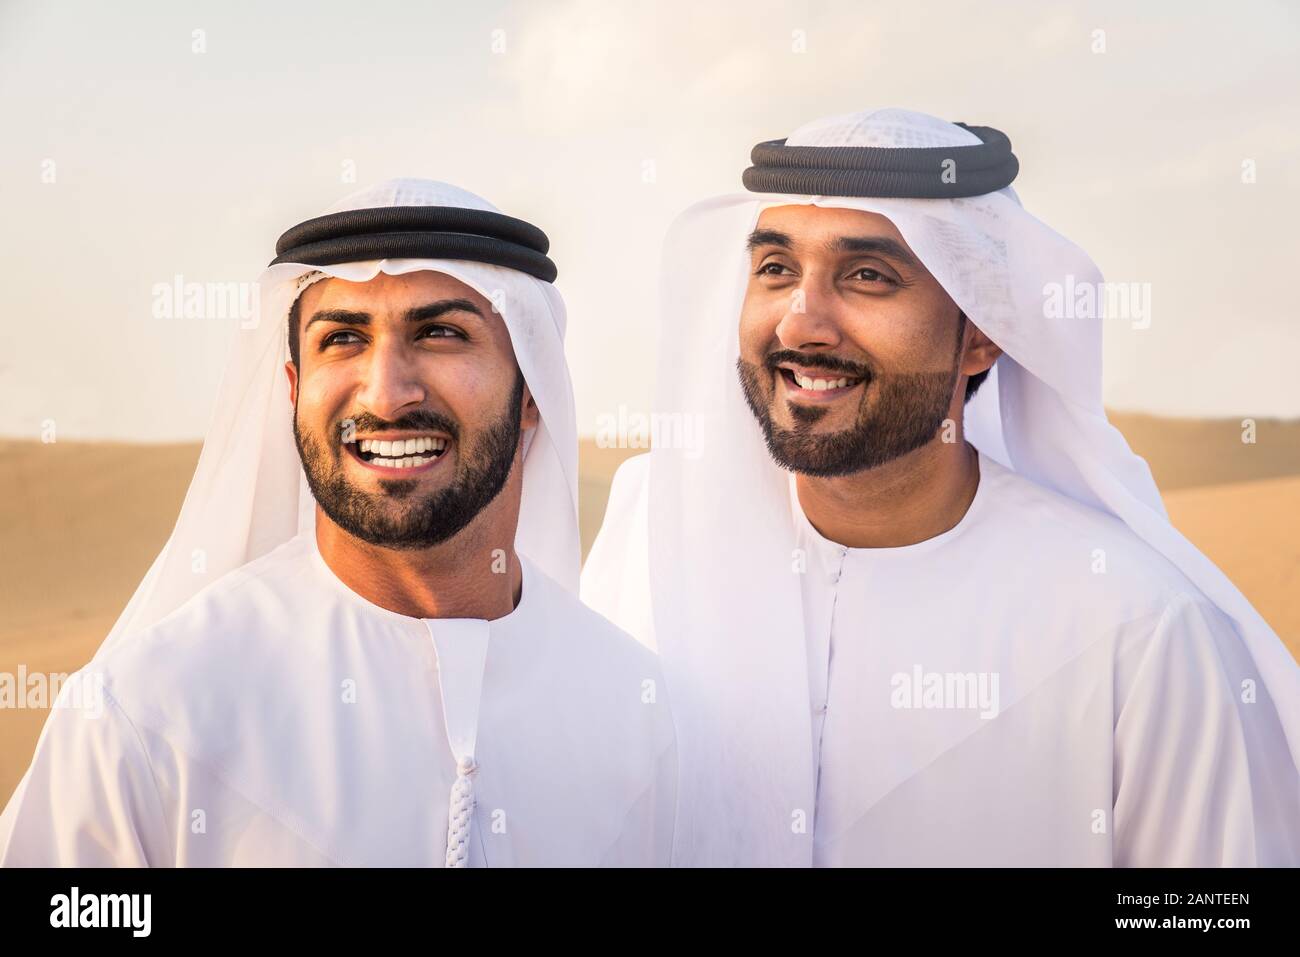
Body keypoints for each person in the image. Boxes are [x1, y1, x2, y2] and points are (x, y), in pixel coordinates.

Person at [582, 109, 1300, 867]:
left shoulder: (1141, 627)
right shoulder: (650, 534)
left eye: (867, 276)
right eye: (776, 270)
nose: (803, 322)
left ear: (985, 330)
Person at [0, 179, 675, 867]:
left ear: (531, 392)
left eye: (441, 333)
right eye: (343, 339)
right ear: (294, 390)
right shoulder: (144, 718)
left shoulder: (640, 717)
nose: (386, 392)